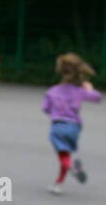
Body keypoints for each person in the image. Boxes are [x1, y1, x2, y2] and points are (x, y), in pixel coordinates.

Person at [41, 53, 100, 195]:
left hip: (58, 126)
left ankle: (72, 167)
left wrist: (54, 110)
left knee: (64, 156)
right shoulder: (79, 91)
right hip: (74, 127)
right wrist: (89, 89)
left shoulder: (52, 91)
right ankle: (58, 184)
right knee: (65, 154)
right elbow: (97, 98)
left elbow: (45, 108)